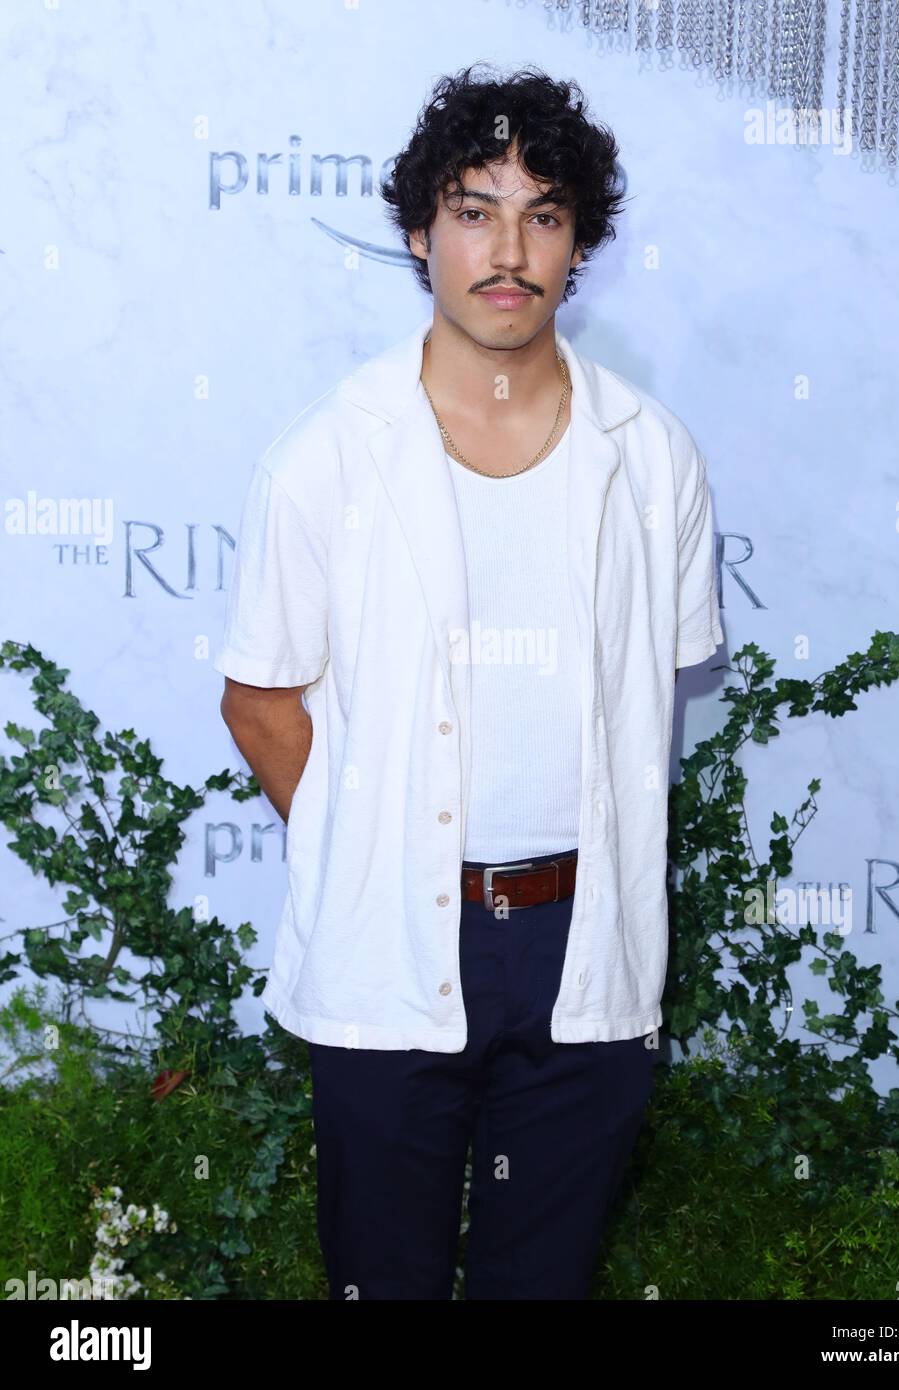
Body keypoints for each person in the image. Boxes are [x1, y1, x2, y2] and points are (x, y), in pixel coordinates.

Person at [214, 63, 724, 1300]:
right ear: (418, 232)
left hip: (582, 939)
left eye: (542, 215)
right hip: (393, 931)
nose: (507, 251)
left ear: (579, 244)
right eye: (473, 210)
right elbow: (260, 701)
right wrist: (371, 846)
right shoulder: (325, 459)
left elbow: (652, 685)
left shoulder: (652, 459)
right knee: (379, 1278)